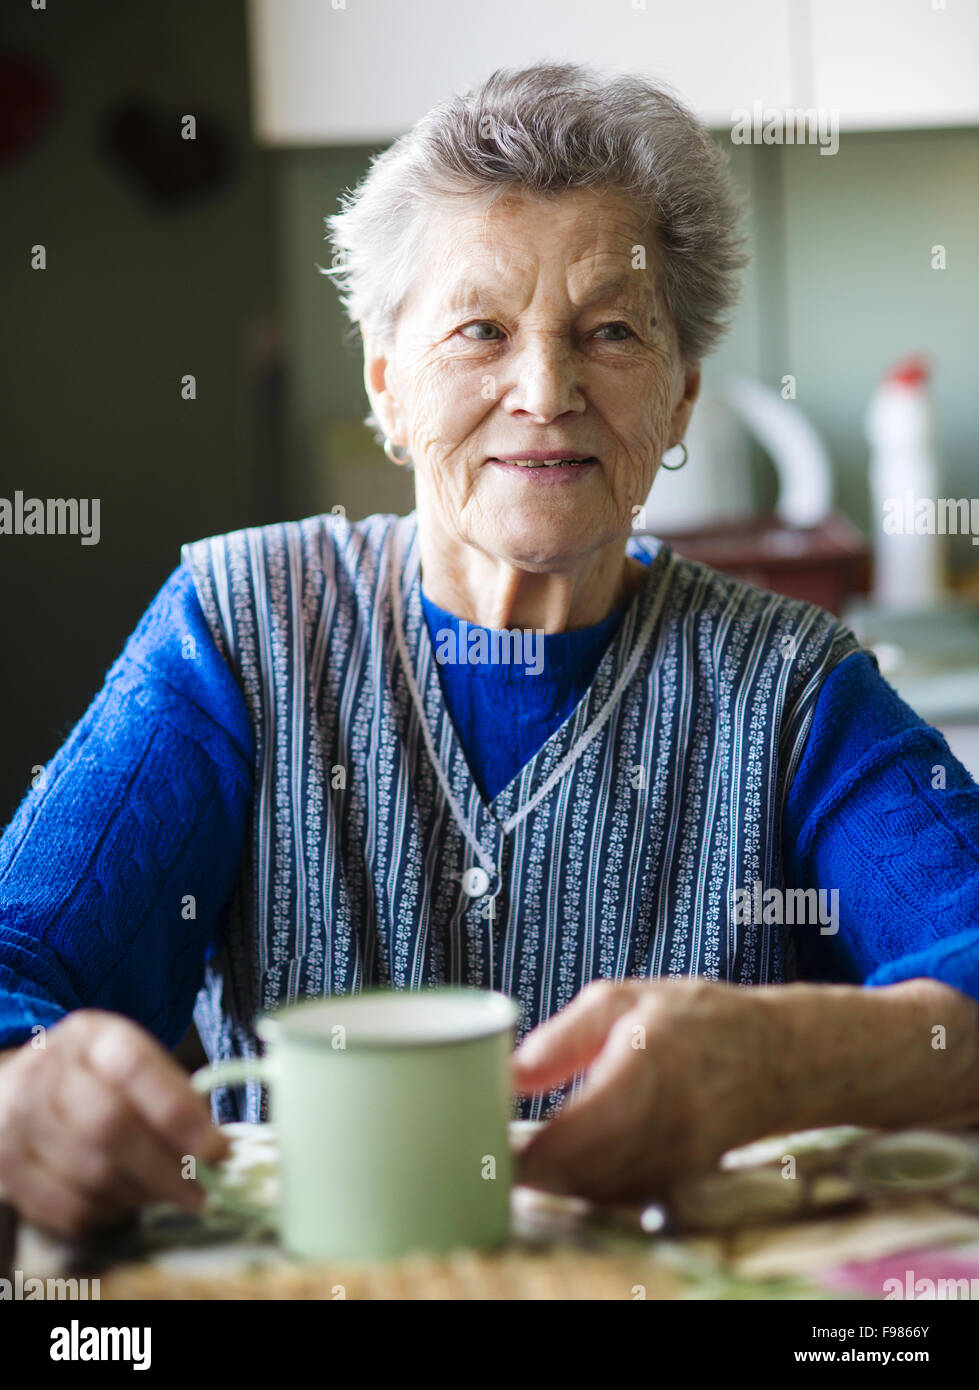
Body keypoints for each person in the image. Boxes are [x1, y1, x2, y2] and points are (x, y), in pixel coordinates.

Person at [2, 64, 978, 1238]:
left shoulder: (790, 686)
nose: (545, 387)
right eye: (480, 329)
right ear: (386, 382)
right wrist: (28, 1085)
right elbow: (19, 961)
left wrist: (789, 1057)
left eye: (610, 331)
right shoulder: (235, 631)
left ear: (679, 399)